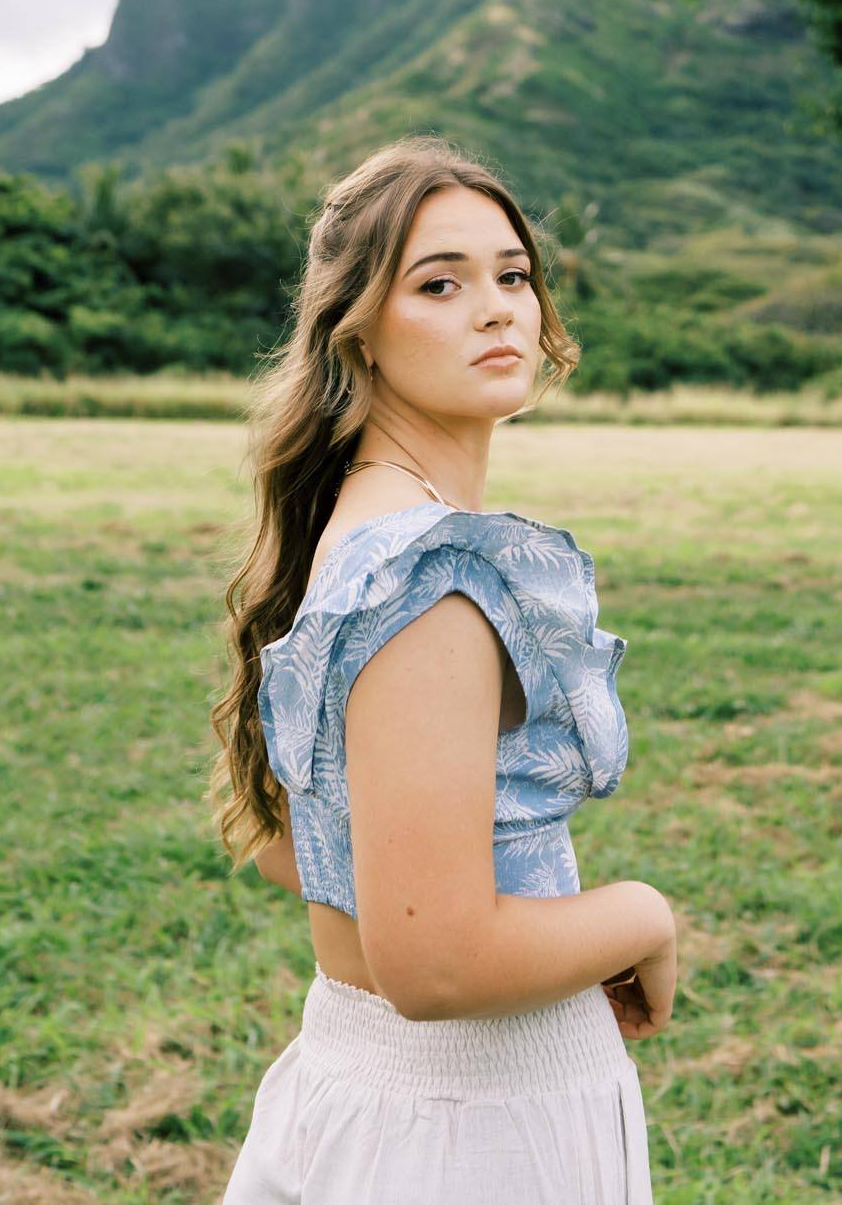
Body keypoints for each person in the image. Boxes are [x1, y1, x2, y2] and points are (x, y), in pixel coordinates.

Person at [211, 135, 675, 1202]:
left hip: (374, 1086)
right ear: (357, 331)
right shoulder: (429, 580)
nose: (498, 307)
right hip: (468, 1127)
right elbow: (436, 963)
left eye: (513, 275)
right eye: (440, 283)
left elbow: (298, 850)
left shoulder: (352, 530)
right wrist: (645, 913)